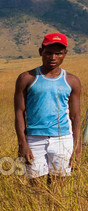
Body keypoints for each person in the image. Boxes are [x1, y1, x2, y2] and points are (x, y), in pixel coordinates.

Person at [14, 32, 82, 181]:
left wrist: (77, 148)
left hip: (62, 139)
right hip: (34, 139)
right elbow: (19, 112)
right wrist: (22, 144)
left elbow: (75, 116)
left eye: (58, 53)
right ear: (40, 52)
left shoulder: (72, 81)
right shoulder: (27, 78)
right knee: (36, 187)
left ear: (65, 54)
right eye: (49, 53)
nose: (53, 57)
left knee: (58, 188)